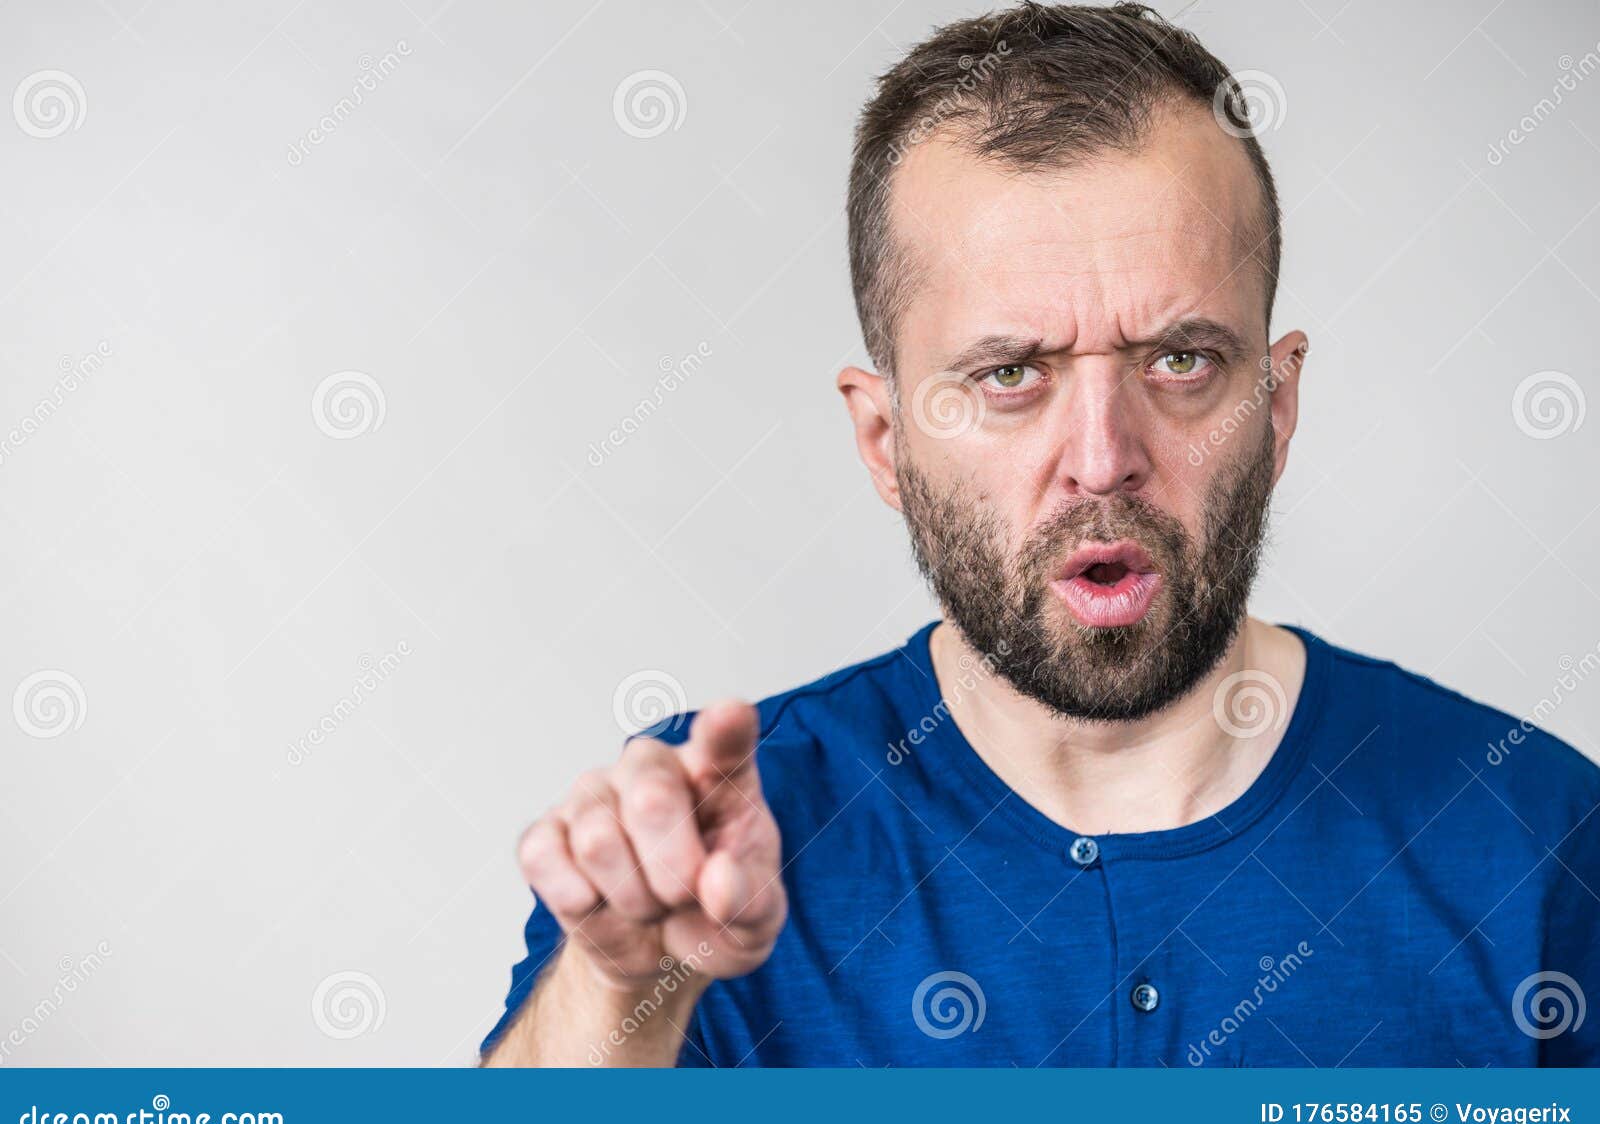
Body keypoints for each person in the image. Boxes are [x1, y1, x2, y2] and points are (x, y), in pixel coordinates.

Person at [482, 2, 1599, 1067]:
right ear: (885, 440)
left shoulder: (1536, 841)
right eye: (1010, 374)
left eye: (1180, 360)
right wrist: (623, 990)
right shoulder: (710, 841)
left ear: (1276, 404)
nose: (1103, 457)